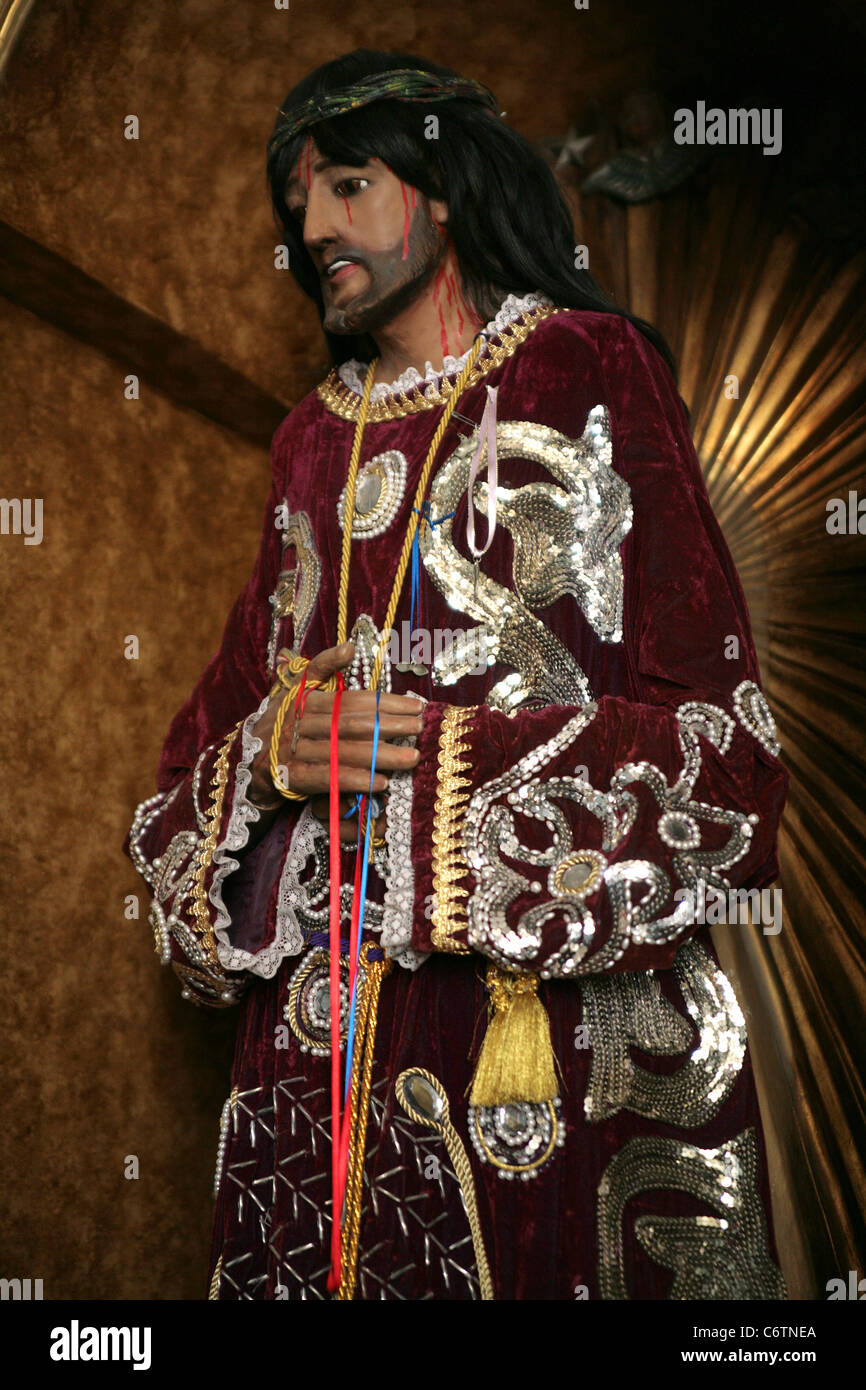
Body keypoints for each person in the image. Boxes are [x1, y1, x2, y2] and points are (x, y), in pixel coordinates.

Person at [126, 48, 790, 1301]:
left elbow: (732, 767)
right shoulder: (306, 446)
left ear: (439, 189)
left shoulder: (590, 370)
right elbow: (170, 823)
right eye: (297, 206)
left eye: (347, 185)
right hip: (307, 1102)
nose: (312, 228)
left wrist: (442, 777)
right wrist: (270, 758)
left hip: (545, 1081)